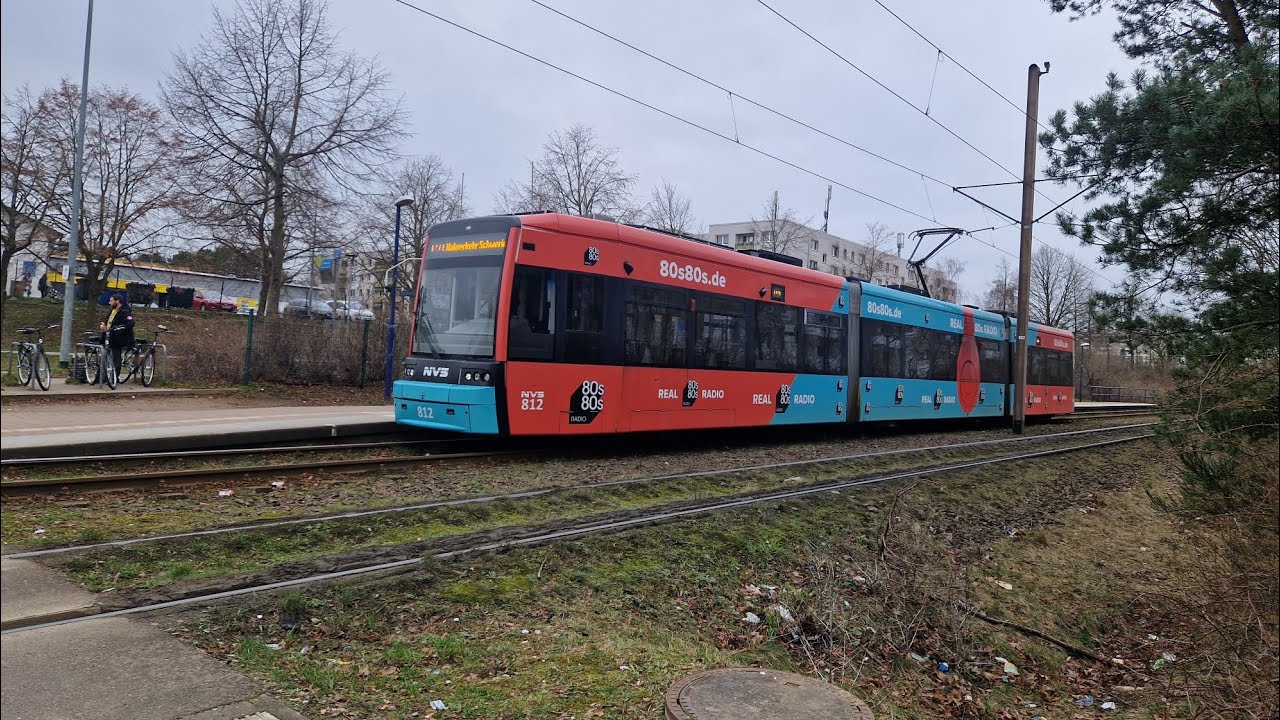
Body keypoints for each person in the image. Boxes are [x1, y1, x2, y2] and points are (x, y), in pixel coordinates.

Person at [99, 293, 135, 383]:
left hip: (118, 338)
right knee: (106, 357)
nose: (109, 303)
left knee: (116, 358)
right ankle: (104, 377)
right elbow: (108, 320)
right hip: (108, 336)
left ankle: (113, 378)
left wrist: (119, 328)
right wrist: (104, 325)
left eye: (111, 301)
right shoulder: (112, 310)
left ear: (117, 301)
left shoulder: (125, 312)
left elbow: (130, 323)